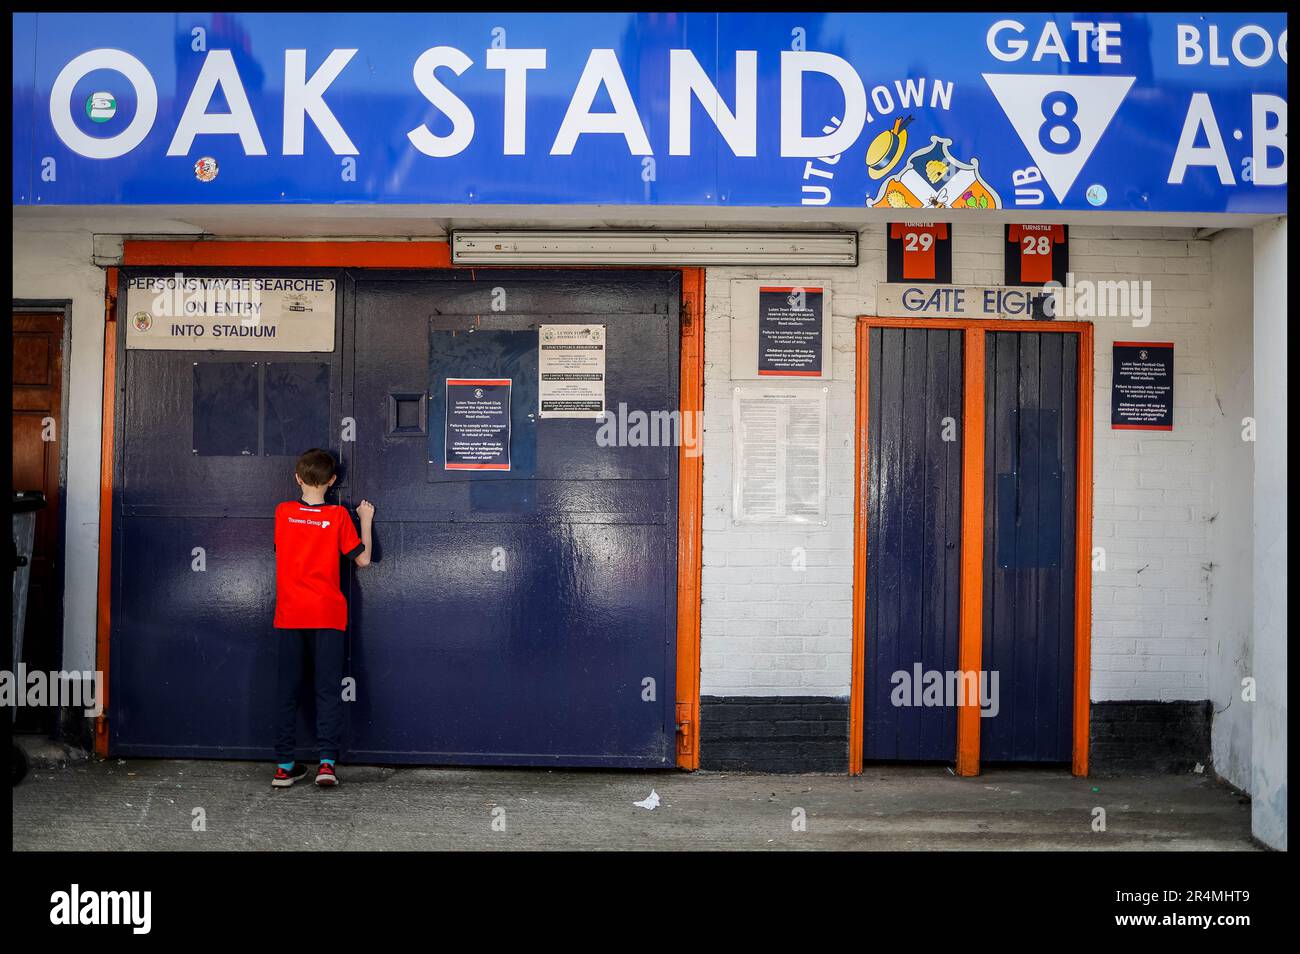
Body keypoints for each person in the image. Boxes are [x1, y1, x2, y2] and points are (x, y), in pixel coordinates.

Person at [271, 448, 374, 788]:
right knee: (328, 690)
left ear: (297, 478)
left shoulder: (283, 512)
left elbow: (282, 550)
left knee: (286, 691)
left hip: (290, 615)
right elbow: (362, 560)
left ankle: (284, 767)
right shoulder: (339, 516)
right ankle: (326, 764)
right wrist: (365, 519)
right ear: (332, 481)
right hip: (327, 614)